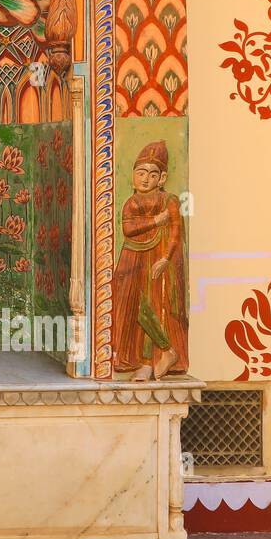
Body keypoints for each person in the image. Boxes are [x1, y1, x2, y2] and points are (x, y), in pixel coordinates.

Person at [111, 139, 188, 379]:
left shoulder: (170, 201)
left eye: (152, 174)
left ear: (162, 178)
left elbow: (176, 232)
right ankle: (155, 353)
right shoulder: (131, 203)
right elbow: (129, 230)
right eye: (140, 173)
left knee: (155, 306)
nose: (145, 179)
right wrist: (156, 220)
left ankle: (152, 360)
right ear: (133, 175)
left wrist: (165, 259)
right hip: (132, 259)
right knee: (132, 307)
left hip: (159, 260)